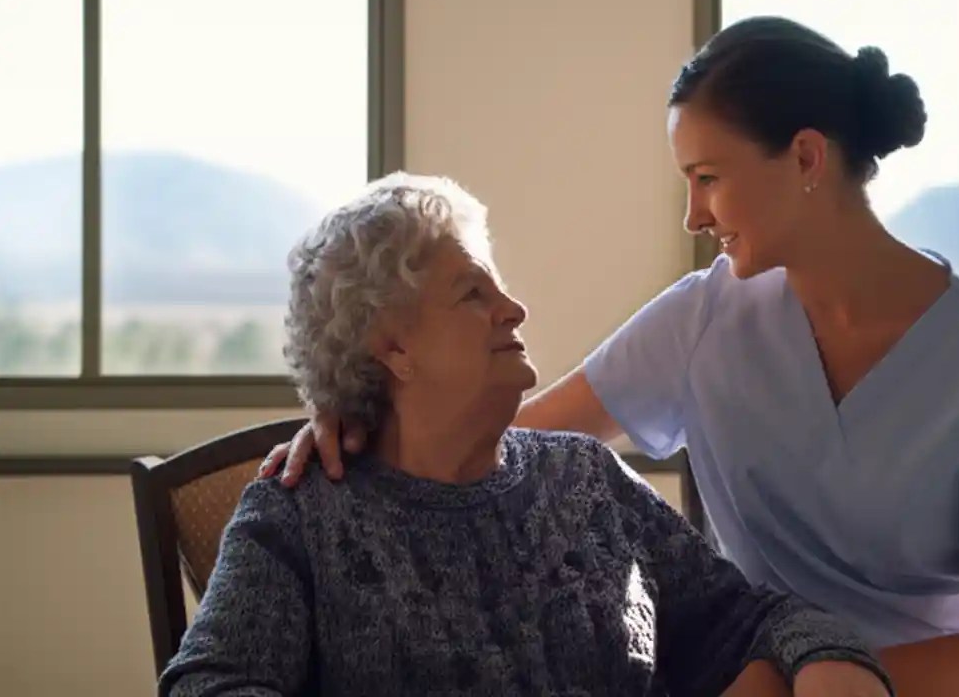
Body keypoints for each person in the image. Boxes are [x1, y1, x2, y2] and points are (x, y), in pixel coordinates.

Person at [262, 17, 959, 697]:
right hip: (766, 671)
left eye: (708, 178)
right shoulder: (705, 319)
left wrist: (802, 678)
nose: (693, 214)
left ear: (804, 159)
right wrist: (360, 418)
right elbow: (489, 443)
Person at [162, 173, 892, 697]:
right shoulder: (300, 511)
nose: (514, 308)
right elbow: (211, 682)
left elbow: (745, 619)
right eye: (472, 294)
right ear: (393, 350)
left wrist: (830, 658)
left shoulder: (585, 480)